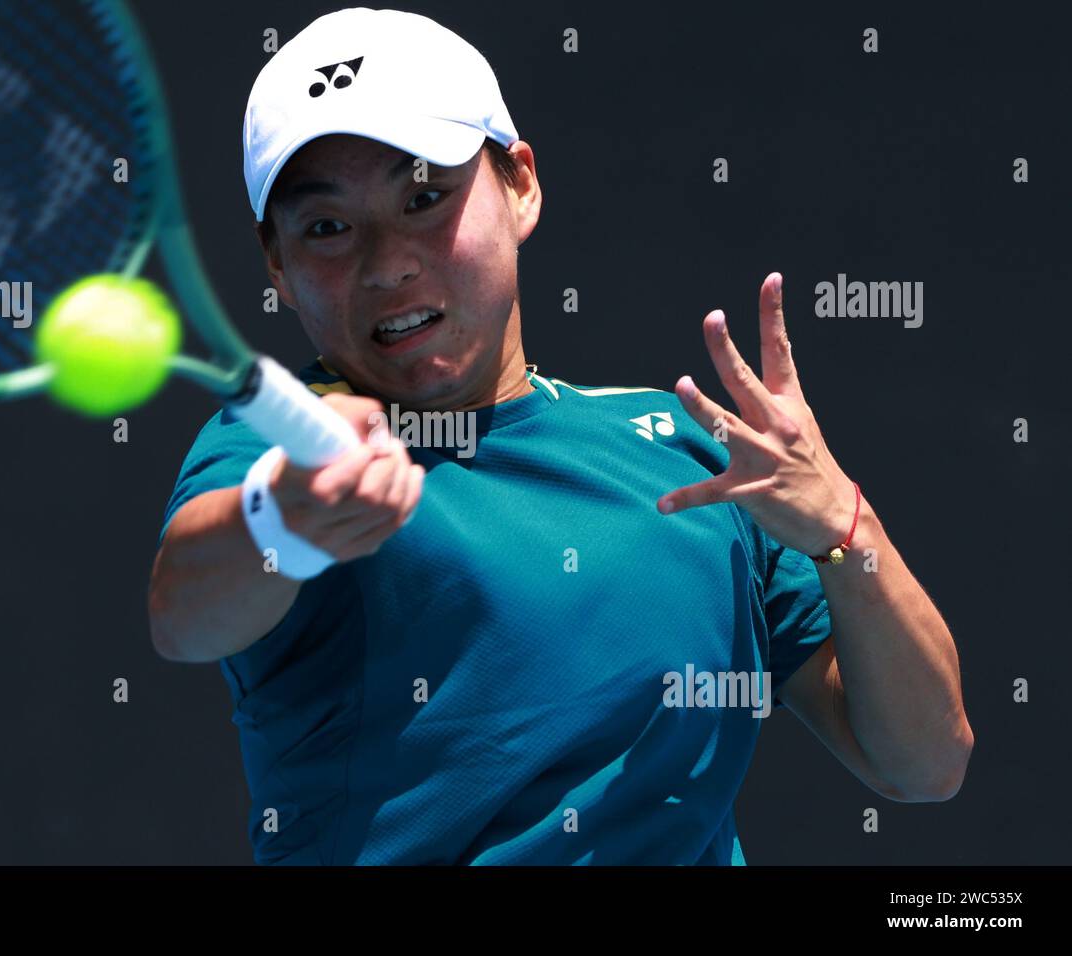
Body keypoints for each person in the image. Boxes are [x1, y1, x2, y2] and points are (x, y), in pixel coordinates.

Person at [147, 8, 972, 865]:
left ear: (521, 186)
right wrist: (285, 516)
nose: (387, 261)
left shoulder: (693, 455)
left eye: (425, 198)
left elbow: (922, 762)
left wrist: (844, 525)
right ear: (276, 266)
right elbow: (184, 615)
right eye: (327, 228)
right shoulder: (286, 449)